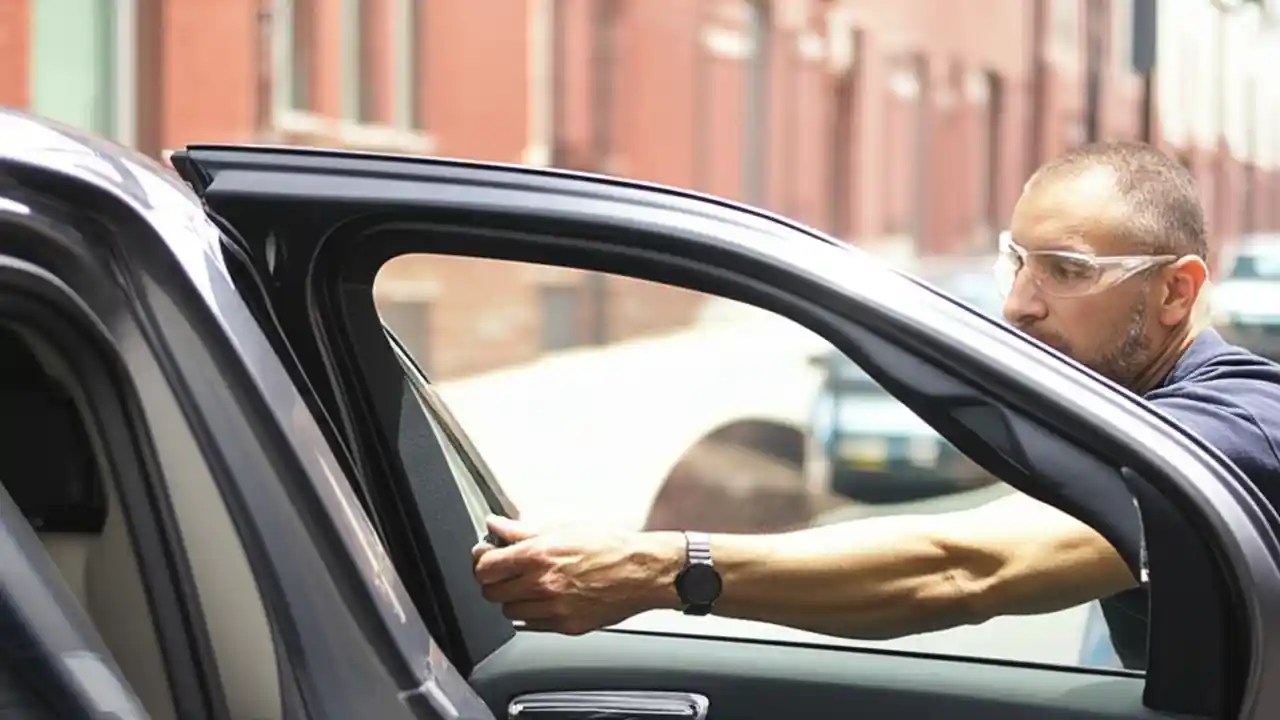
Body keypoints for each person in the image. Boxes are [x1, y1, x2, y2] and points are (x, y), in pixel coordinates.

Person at [470, 141, 1280, 662]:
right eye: (1017, 264)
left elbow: (965, 568)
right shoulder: (1120, 408)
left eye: (1065, 271)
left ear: (1177, 292)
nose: (1020, 306)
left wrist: (655, 567)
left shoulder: (1233, 432)